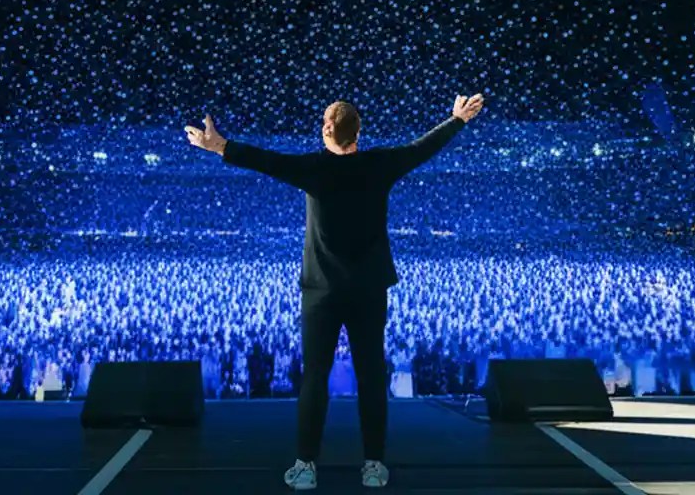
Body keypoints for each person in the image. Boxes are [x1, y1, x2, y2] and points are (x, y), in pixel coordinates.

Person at [185, 93, 485, 490]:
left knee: (316, 378)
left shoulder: (312, 169)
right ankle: (374, 465)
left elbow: (266, 160)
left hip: (321, 292)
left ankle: (306, 466)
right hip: (368, 289)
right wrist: (457, 119)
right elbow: (422, 148)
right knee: (371, 376)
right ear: (358, 132)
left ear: (327, 130)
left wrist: (219, 145)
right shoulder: (380, 165)